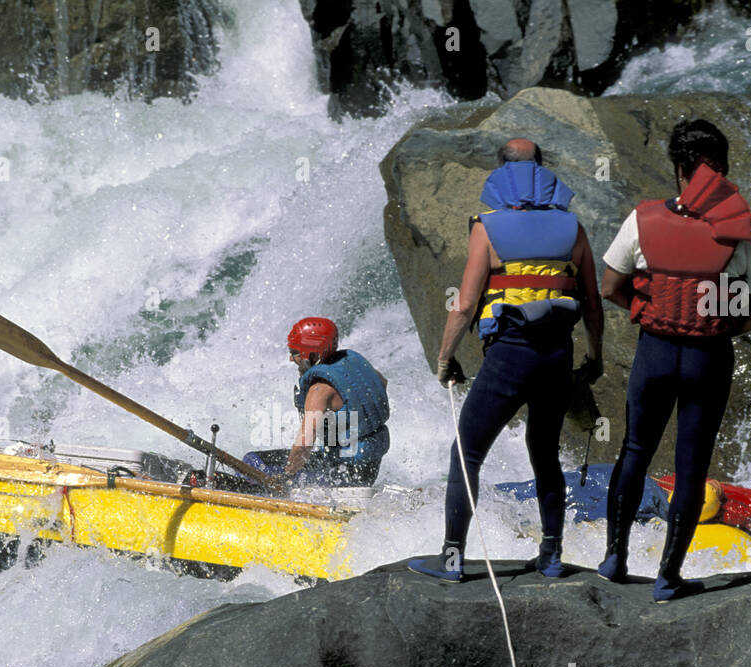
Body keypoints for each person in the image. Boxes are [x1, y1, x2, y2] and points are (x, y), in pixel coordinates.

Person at [409, 138, 604, 581]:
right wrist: (595, 359)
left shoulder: (488, 228)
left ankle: (453, 557)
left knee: (466, 453)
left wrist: (445, 359)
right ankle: (551, 555)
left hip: (509, 356)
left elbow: (464, 304)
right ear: (545, 171)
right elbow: (592, 303)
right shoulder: (573, 229)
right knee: (544, 453)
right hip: (557, 354)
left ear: (500, 174)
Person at [598, 118, 751, 601]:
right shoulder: (746, 231)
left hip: (654, 353)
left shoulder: (642, 219)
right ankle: (667, 577)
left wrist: (652, 312)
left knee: (635, 449)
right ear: (723, 168)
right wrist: (717, 326)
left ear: (679, 169)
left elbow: (610, 286)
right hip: (707, 359)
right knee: (692, 467)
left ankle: (615, 557)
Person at [242, 317, 390, 488]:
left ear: (312, 355)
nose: (291, 358)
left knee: (252, 461)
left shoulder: (319, 390)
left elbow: (303, 446)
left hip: (341, 475)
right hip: (368, 469)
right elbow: (382, 383)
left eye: (294, 352)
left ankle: (257, 496)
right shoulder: (353, 364)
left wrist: (287, 476)